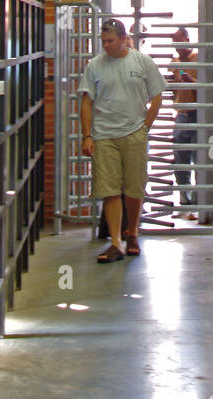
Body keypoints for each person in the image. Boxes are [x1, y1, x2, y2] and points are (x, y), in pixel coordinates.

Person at [79, 18, 168, 262]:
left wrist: (144, 128)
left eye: (110, 41)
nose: (105, 45)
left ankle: (132, 233)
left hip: (133, 134)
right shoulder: (95, 65)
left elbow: (157, 96)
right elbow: (86, 101)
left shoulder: (142, 61)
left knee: (133, 188)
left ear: (123, 38)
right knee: (109, 189)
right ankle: (115, 242)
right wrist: (87, 135)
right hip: (104, 135)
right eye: (103, 41)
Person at [168, 27, 200, 220]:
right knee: (180, 160)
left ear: (188, 39)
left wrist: (192, 80)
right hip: (181, 114)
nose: (177, 47)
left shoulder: (199, 57)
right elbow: (172, 83)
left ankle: (197, 205)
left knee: (199, 159)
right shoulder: (175, 62)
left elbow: (207, 84)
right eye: (175, 43)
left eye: (180, 41)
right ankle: (184, 202)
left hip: (199, 114)